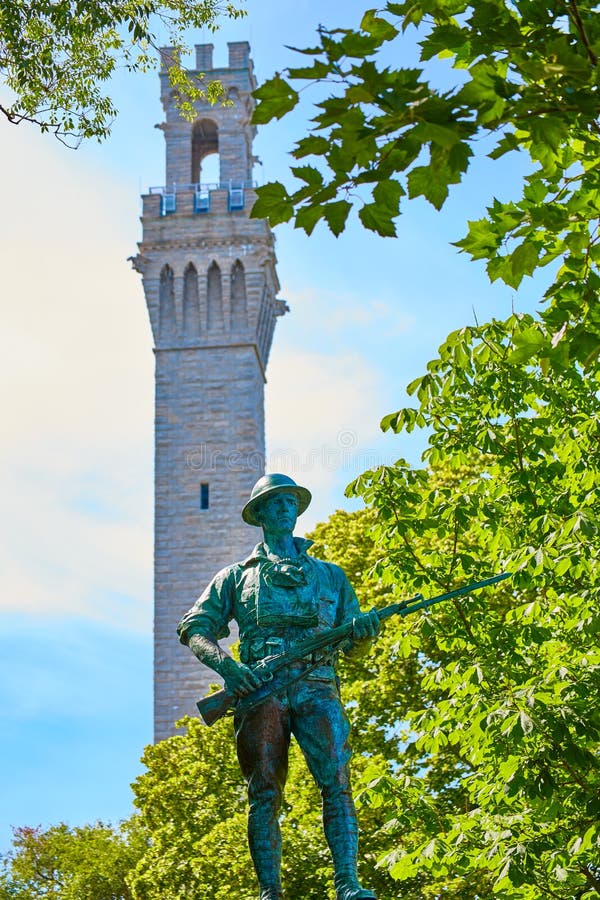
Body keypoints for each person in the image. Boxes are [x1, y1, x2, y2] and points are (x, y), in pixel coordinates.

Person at [178, 473, 380, 900]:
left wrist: (364, 634)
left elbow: (353, 647)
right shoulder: (235, 576)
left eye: (292, 501)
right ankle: (270, 890)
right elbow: (194, 628)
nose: (286, 507)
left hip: (319, 685)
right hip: (260, 689)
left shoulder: (331, 575)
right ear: (261, 514)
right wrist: (229, 670)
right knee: (265, 791)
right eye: (276, 502)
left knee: (337, 781)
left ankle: (348, 882)